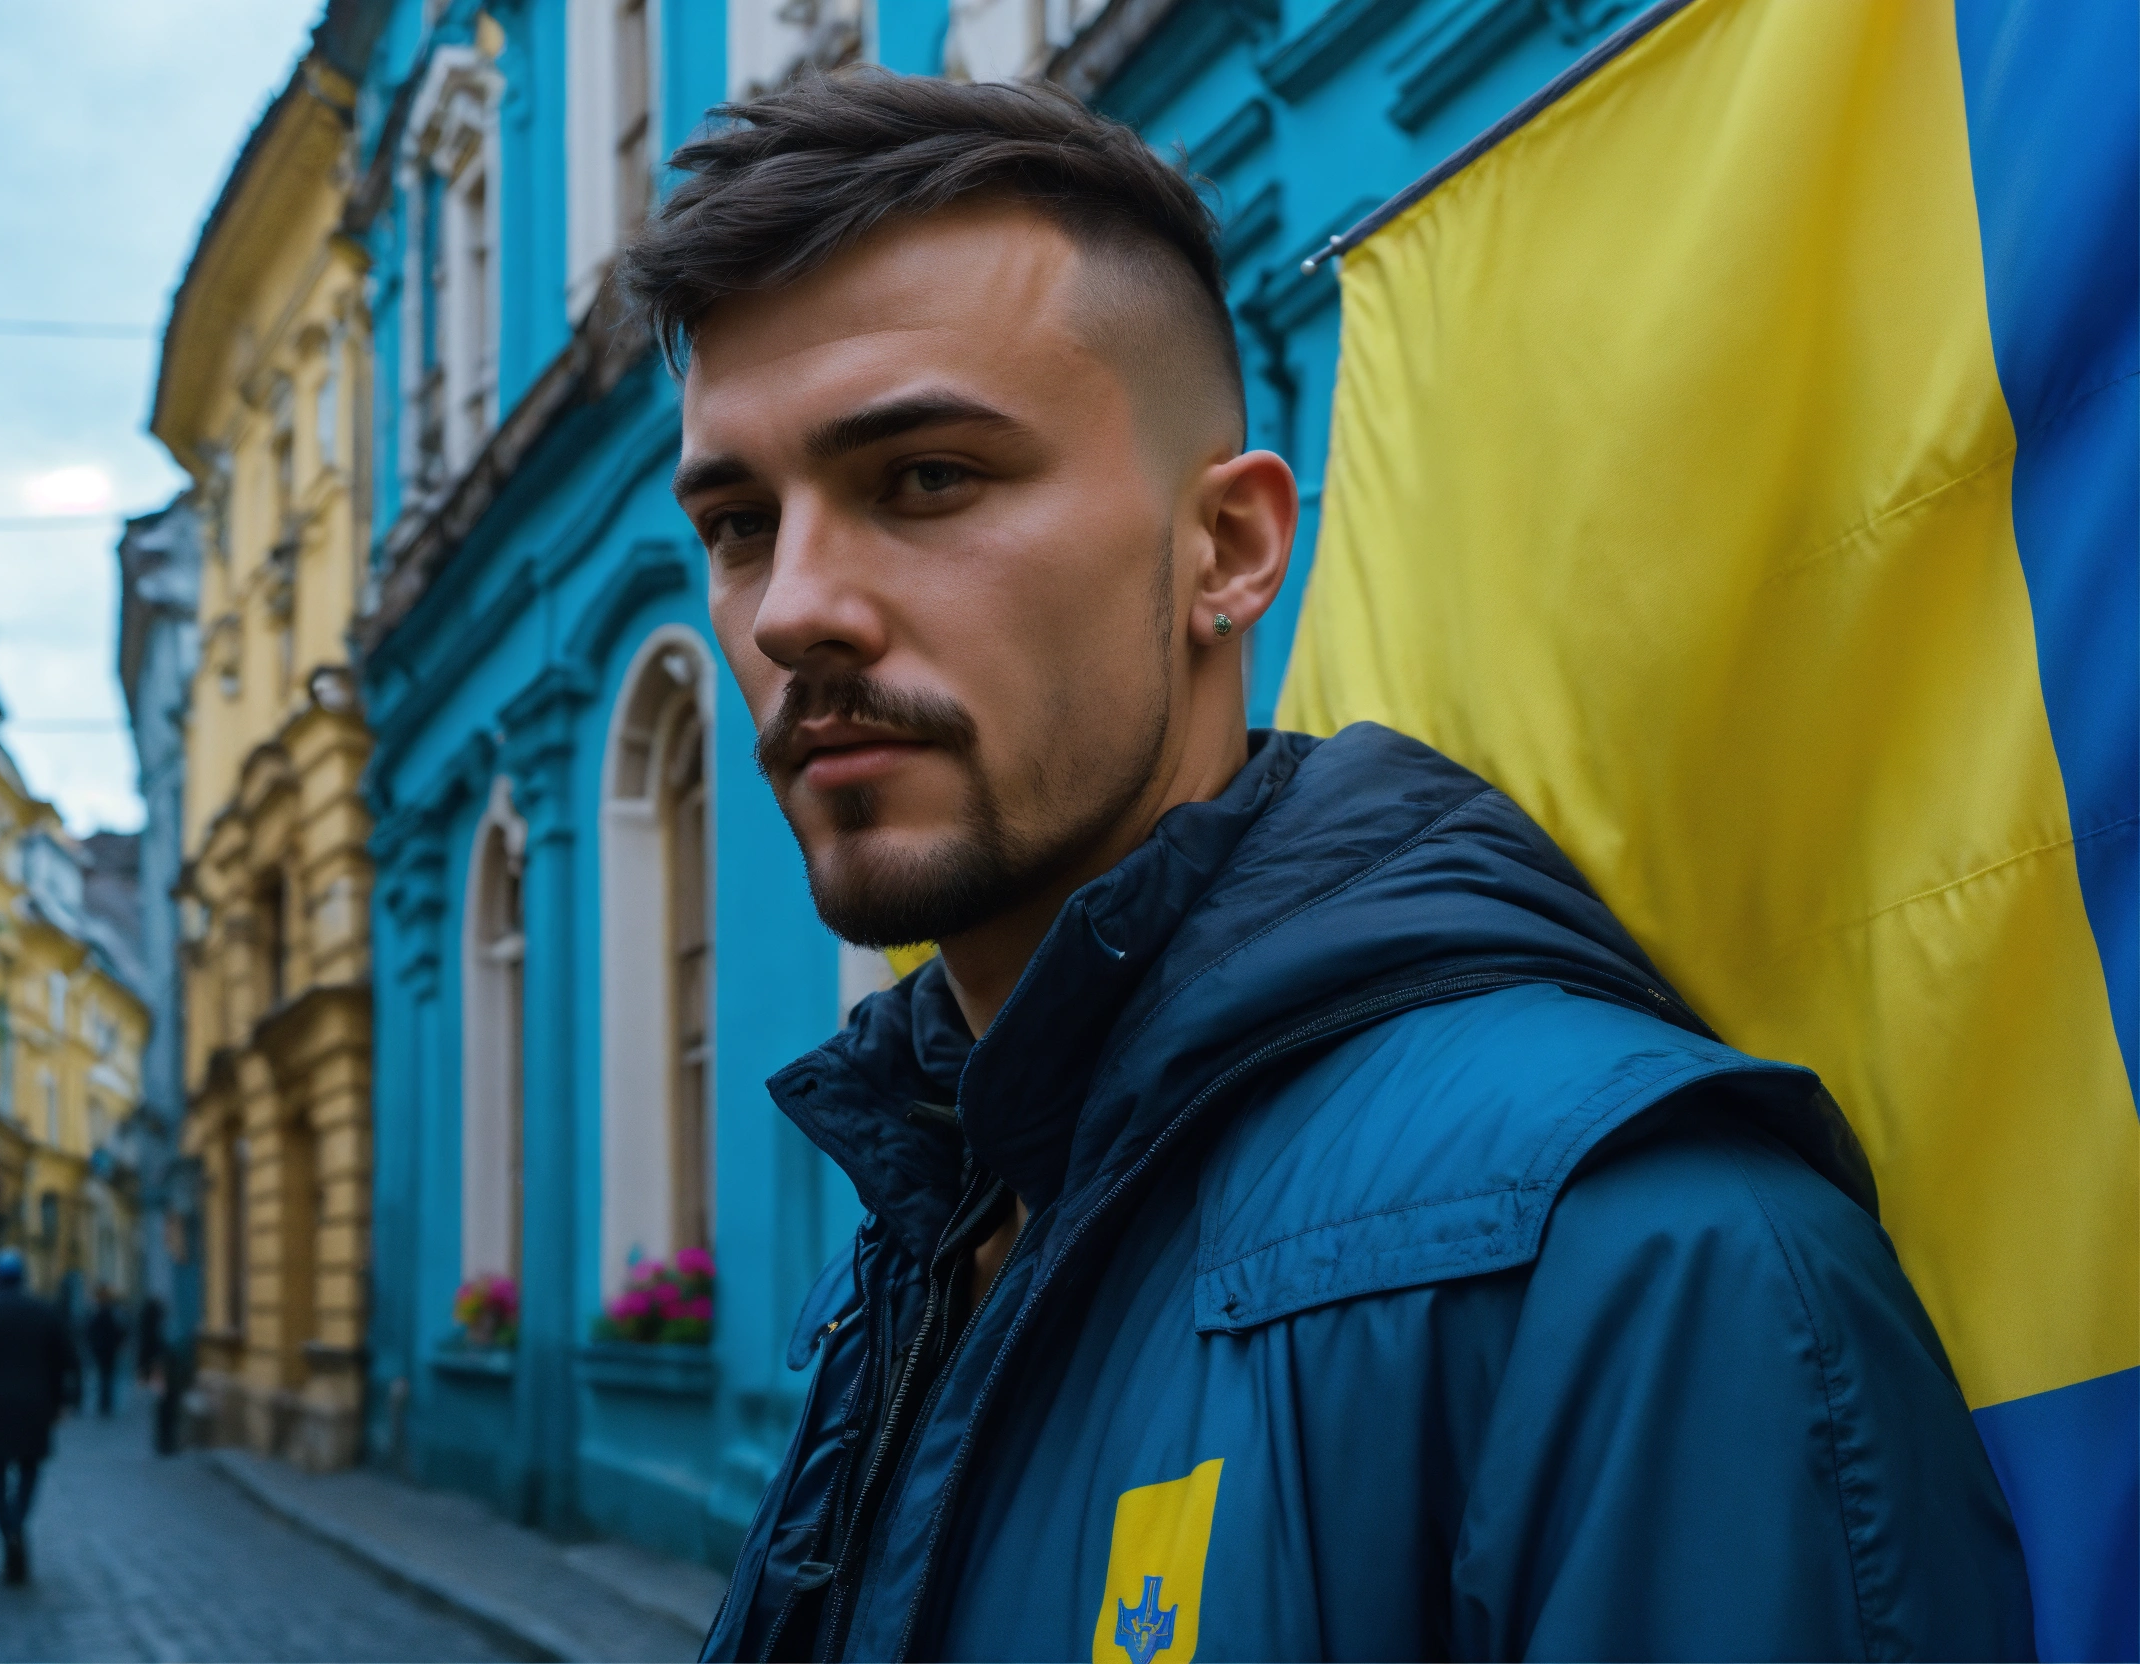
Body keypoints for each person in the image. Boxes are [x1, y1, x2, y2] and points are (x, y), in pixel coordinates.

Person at [623, 71, 2038, 1661]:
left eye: (928, 480)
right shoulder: (917, 1241)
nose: (789, 608)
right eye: (740, 522)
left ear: (1226, 550)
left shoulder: (1633, 1263)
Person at [0, 1249, 76, 1585]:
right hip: (37, 1406)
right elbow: (67, 1360)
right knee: (29, 1469)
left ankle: (7, 1529)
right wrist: (66, 1400)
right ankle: (18, 1522)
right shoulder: (44, 1312)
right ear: (23, 1277)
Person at [84, 1287, 125, 1417]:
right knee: (107, 1376)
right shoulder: (111, 1313)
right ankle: (105, 1403)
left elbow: (89, 1331)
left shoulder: (98, 1313)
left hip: (102, 1349)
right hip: (107, 1349)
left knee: (104, 1376)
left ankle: (104, 1403)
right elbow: (119, 1331)